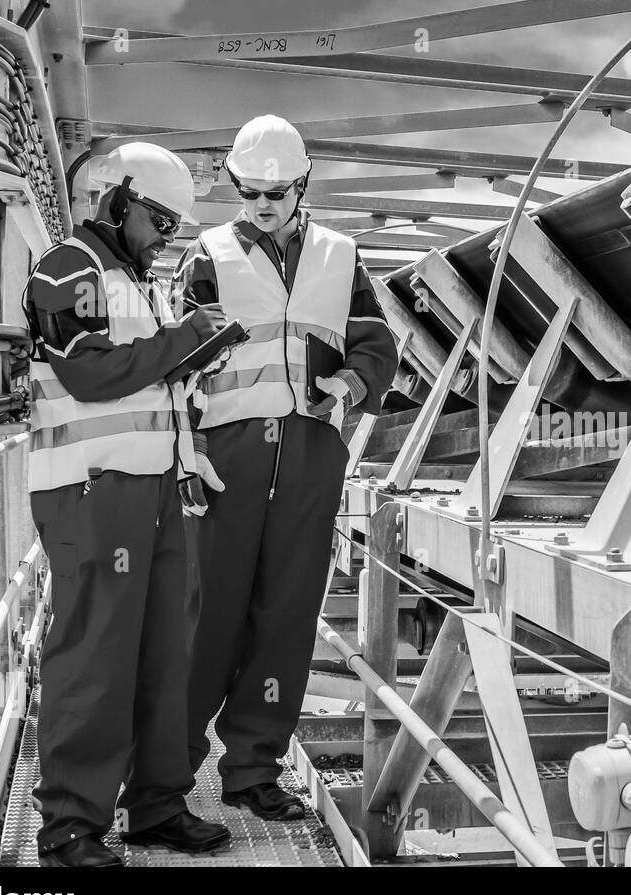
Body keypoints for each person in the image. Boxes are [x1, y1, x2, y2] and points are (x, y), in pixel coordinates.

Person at [173, 115, 398, 820]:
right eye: (250, 191)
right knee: (205, 616)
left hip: (309, 456)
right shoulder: (206, 255)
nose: (263, 202)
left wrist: (354, 383)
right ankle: (163, 777)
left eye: (277, 190)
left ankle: (252, 770)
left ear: (304, 183)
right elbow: (171, 367)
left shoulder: (341, 254)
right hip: (226, 458)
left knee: (287, 616)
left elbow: (377, 340)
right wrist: (184, 453)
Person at [23, 142, 233, 866]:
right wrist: (182, 343)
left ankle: (156, 804)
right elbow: (87, 373)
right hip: (93, 489)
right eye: (158, 218)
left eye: (173, 224)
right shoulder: (66, 267)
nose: (165, 235)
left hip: (153, 490)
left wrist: (190, 360)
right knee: (98, 653)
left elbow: (148, 381)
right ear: (117, 198)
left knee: (166, 649)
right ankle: (72, 828)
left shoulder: (136, 281)